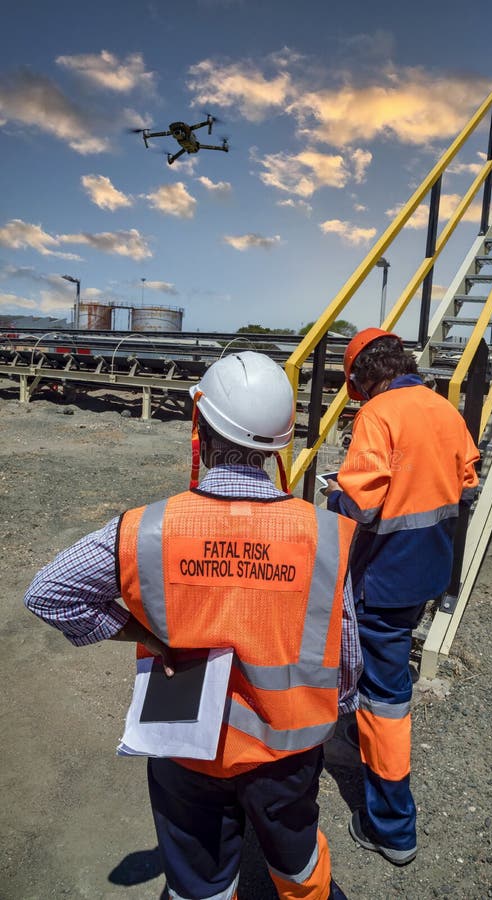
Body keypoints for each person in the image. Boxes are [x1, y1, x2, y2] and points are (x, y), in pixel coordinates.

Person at [24, 350, 362, 900]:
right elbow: (347, 660)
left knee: (198, 881)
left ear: (198, 428)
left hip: (184, 744)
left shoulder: (147, 528)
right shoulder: (323, 534)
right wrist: (332, 716)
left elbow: (50, 594)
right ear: (280, 444)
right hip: (287, 752)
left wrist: (145, 635)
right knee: (299, 868)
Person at [325, 328, 480, 867]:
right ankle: (356, 729)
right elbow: (465, 484)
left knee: (387, 700)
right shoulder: (443, 408)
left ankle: (392, 826)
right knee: (379, 671)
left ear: (361, 376)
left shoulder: (378, 415)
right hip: (428, 572)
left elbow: (360, 507)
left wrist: (334, 493)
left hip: (384, 578)